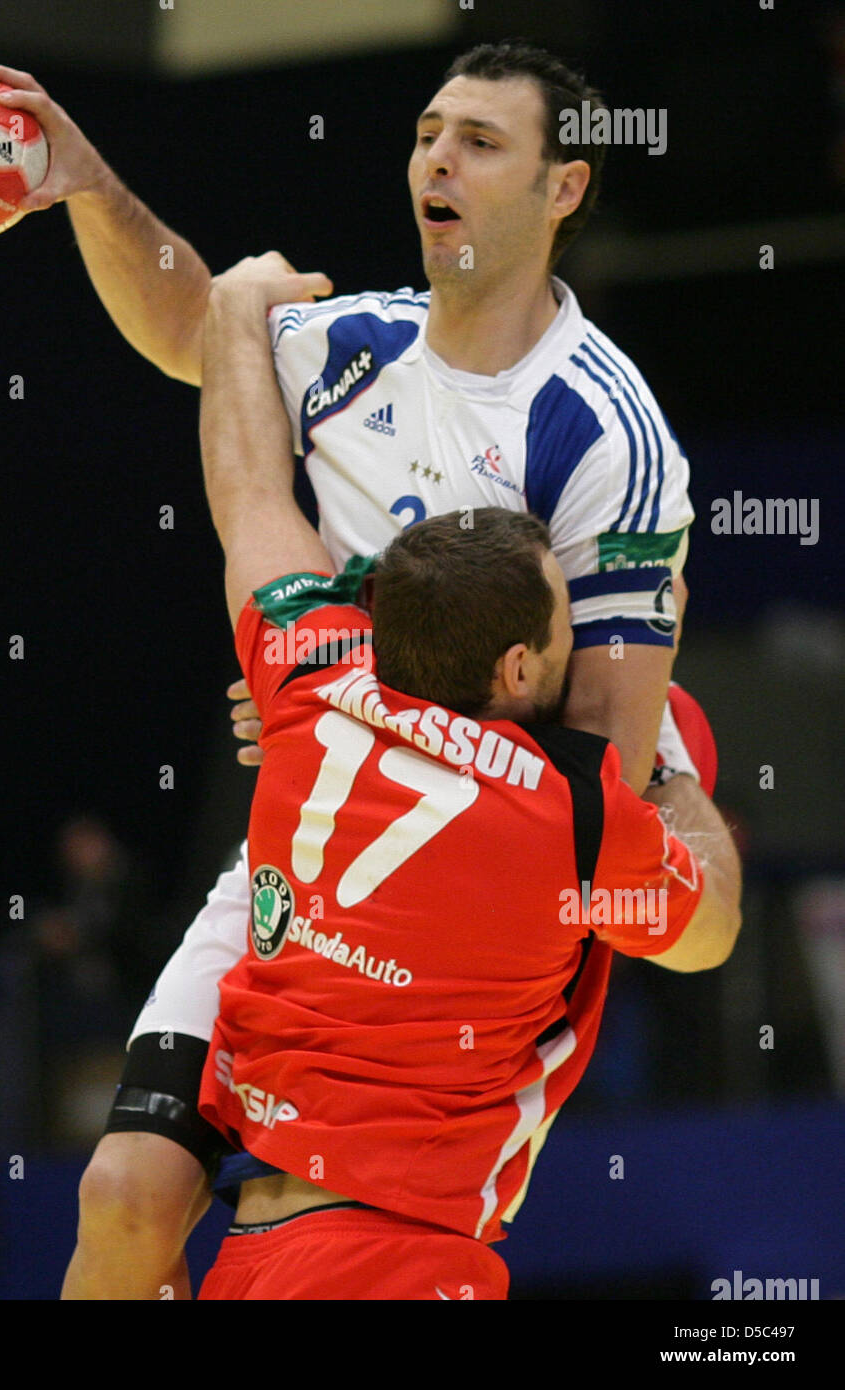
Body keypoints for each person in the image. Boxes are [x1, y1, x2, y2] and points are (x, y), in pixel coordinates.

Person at [0, 41, 700, 1297]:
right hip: (304, 848)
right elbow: (200, 329)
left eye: (479, 141)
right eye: (425, 132)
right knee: (124, 1196)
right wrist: (85, 183)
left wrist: (361, 720)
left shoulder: (602, 430)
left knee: (334, 1240)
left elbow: (602, 752)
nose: (435, 160)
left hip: (467, 903)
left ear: (563, 190)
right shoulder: (356, 344)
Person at [191, 255, 737, 1298]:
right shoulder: (568, 821)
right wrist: (672, 771)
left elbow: (250, 486)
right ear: (517, 668)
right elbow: (705, 932)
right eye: (565, 613)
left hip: (255, 1251)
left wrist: (229, 308)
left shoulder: (311, 676)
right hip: (397, 1257)